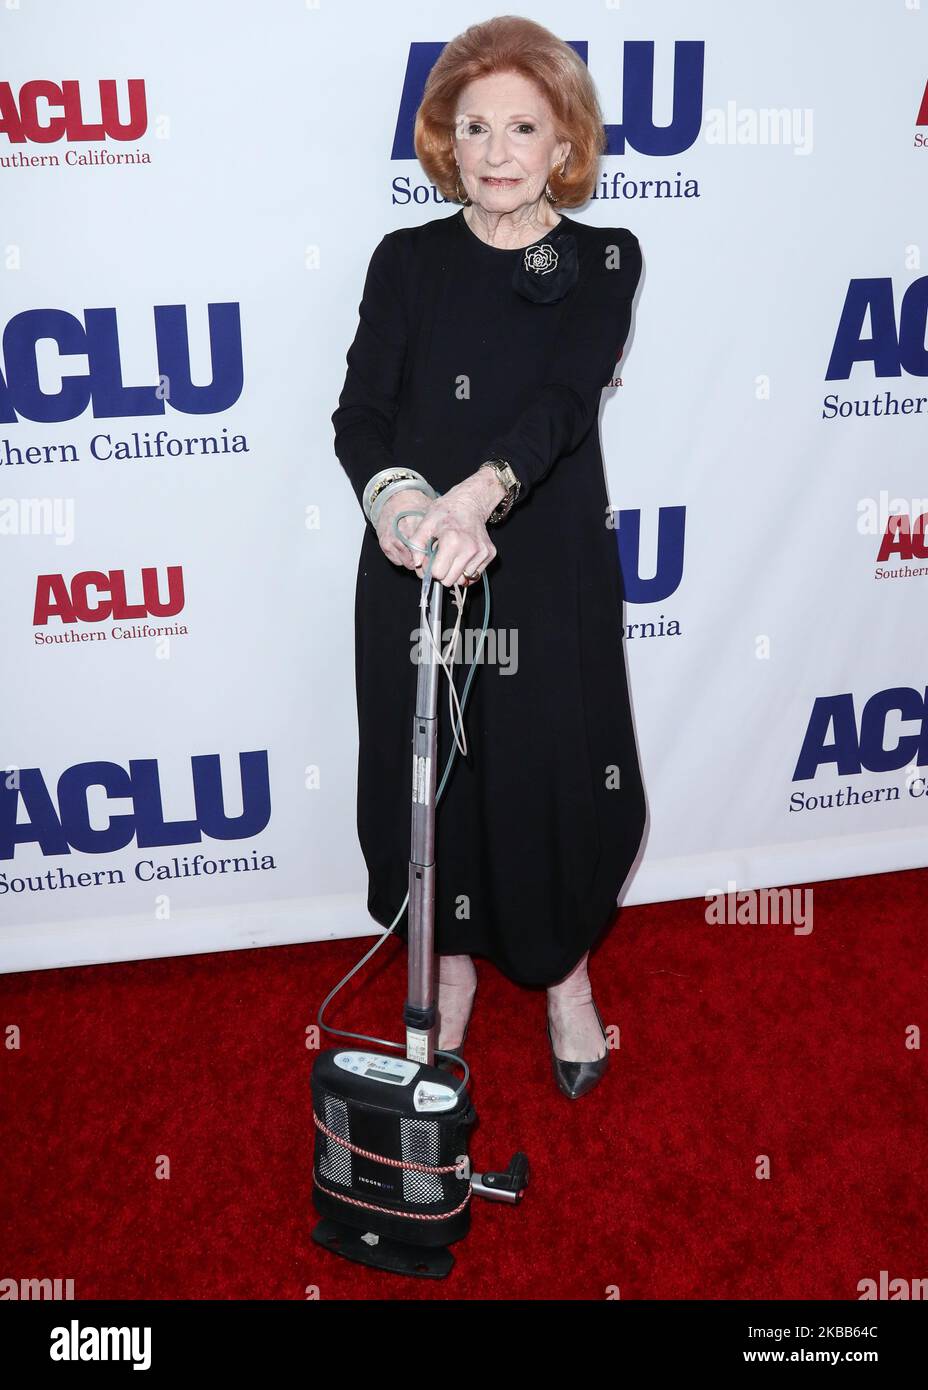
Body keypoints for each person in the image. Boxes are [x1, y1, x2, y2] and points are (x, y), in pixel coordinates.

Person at [331, 15, 647, 1099]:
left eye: (523, 126)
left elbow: (562, 407)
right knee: (432, 783)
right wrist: (404, 498)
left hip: (543, 562)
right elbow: (359, 415)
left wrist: (478, 494)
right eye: (474, 127)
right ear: (445, 142)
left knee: (555, 774)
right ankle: (449, 969)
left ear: (563, 141)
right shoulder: (406, 261)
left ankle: (563, 977)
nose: (497, 150)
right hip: (415, 563)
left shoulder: (605, 257)